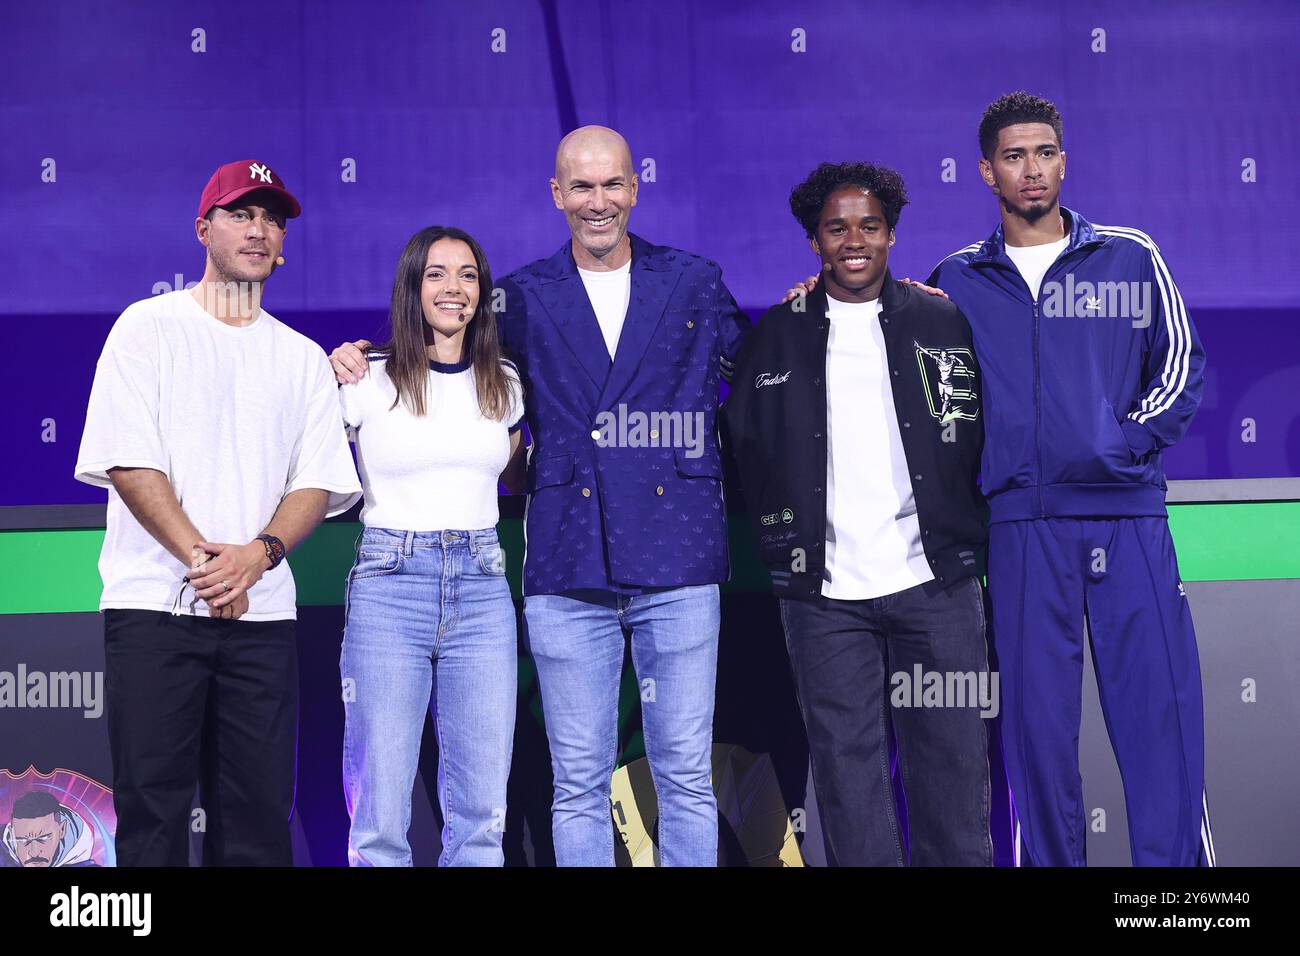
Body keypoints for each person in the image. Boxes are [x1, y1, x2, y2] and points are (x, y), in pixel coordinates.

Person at [787, 94, 1213, 867]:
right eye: (1014, 156)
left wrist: (1122, 447)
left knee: (1160, 723)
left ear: (1063, 160)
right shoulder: (956, 281)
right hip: (1017, 533)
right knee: (1037, 739)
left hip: (1128, 523)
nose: (1032, 169)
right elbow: (906, 371)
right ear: (987, 171)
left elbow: (1181, 367)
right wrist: (804, 301)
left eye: (1045, 152)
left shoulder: (1127, 255)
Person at [331, 126, 750, 866]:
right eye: (581, 187)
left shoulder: (693, 278)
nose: (599, 201)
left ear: (635, 187)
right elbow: (449, 362)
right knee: (577, 782)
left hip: (678, 555)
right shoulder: (520, 298)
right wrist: (361, 357)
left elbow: (759, 374)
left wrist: (831, 304)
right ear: (557, 194)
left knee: (685, 773)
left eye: (613, 184)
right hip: (567, 559)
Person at [73, 160, 362, 866]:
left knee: (258, 822)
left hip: (260, 619)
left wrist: (255, 557)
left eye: (272, 218)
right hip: (155, 610)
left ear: (284, 243)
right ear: (204, 229)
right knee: (152, 814)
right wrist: (207, 562)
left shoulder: (298, 360)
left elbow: (315, 484)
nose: (258, 230)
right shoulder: (146, 328)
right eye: (241, 214)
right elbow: (130, 463)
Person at [725, 162, 992, 866]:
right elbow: (742, 447)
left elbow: (981, 431)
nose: (854, 241)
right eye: (836, 228)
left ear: (892, 234)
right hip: (824, 601)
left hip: (935, 588)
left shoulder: (941, 318)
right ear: (814, 241)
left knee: (954, 776)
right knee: (847, 784)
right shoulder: (776, 333)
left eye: (869, 227)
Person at [338, 226, 525, 867]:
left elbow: (522, 467)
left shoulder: (503, 382)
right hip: (391, 581)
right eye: (437, 274)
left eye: (468, 274)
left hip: (482, 580)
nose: (454, 288)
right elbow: (310, 473)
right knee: (381, 809)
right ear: (412, 287)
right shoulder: (367, 377)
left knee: (480, 813)